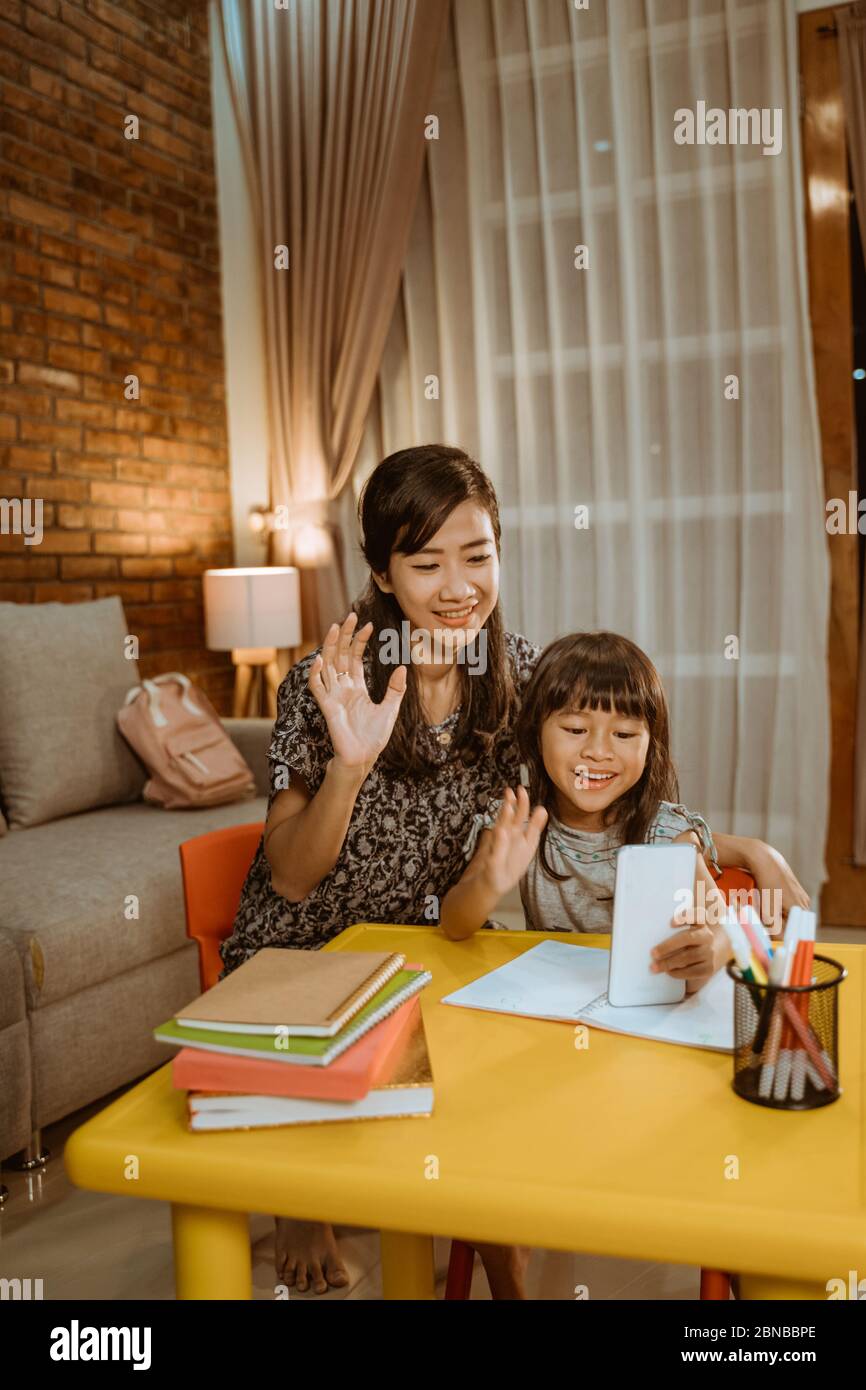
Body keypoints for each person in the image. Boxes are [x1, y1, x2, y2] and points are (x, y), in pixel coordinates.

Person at [219, 447, 809, 1299]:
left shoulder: (521, 672)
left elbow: (600, 797)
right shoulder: (331, 678)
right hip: (317, 946)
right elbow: (293, 881)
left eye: (479, 555)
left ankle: (492, 1220)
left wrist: (750, 851)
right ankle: (302, 1196)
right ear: (383, 571)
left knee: (522, 1090)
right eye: (426, 563)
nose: (459, 585)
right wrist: (349, 766)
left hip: (450, 939)